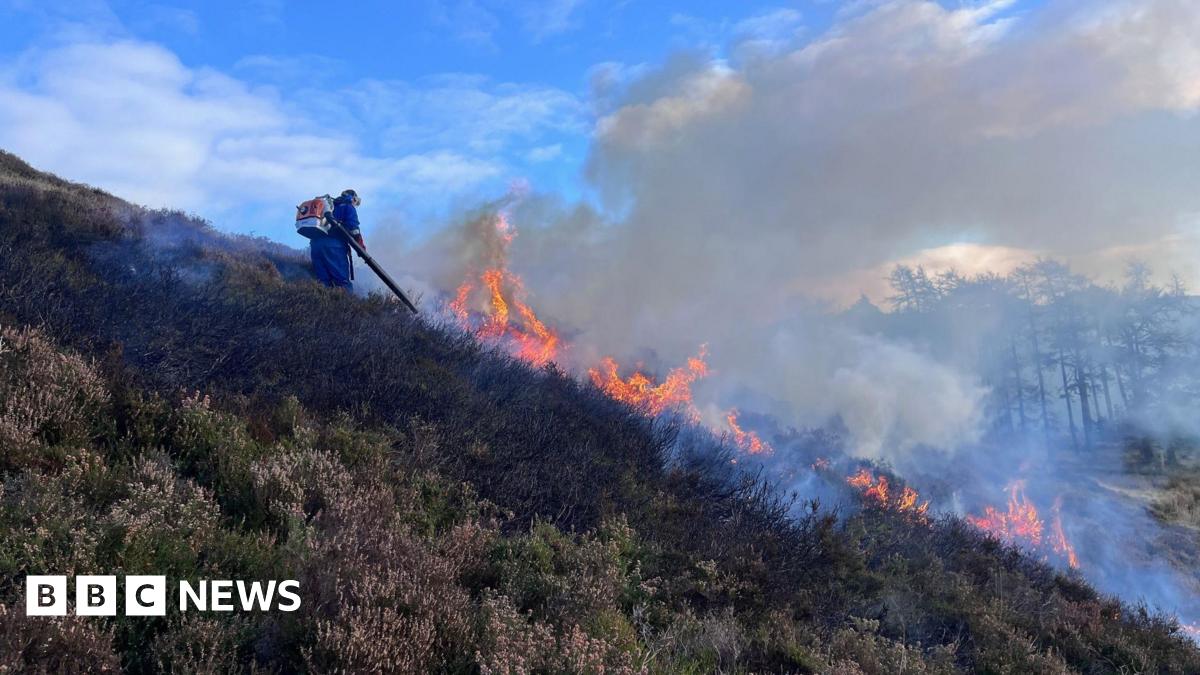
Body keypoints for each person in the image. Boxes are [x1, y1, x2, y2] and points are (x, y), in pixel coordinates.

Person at [310, 189, 366, 290]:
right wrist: (362, 249)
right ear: (353, 198)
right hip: (334, 247)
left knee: (323, 284)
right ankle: (347, 305)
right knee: (342, 283)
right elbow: (354, 231)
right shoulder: (348, 206)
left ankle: (321, 305)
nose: (355, 204)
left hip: (315, 246)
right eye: (356, 202)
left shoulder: (329, 207)